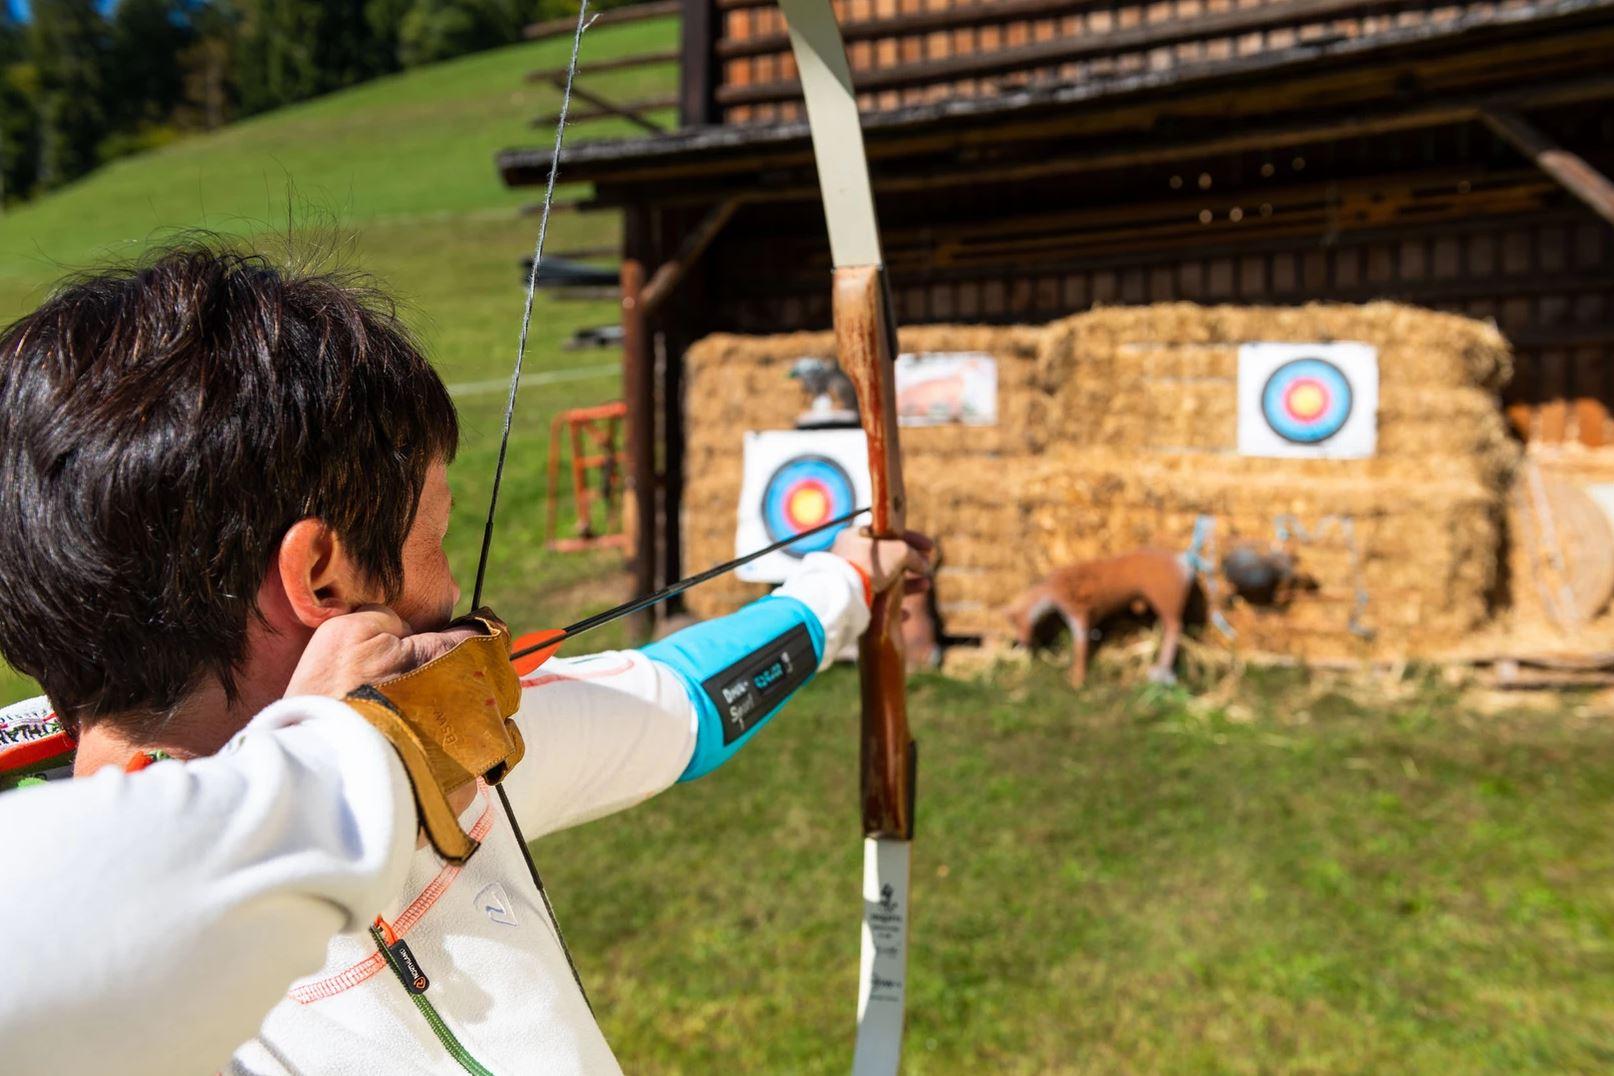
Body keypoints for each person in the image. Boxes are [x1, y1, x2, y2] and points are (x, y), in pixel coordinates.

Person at [0, 245, 932, 1075]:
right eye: (435, 536)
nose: (452, 588)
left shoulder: (445, 749)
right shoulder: (83, 1007)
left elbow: (684, 703)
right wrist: (350, 766)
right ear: (320, 579)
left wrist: (845, 582)